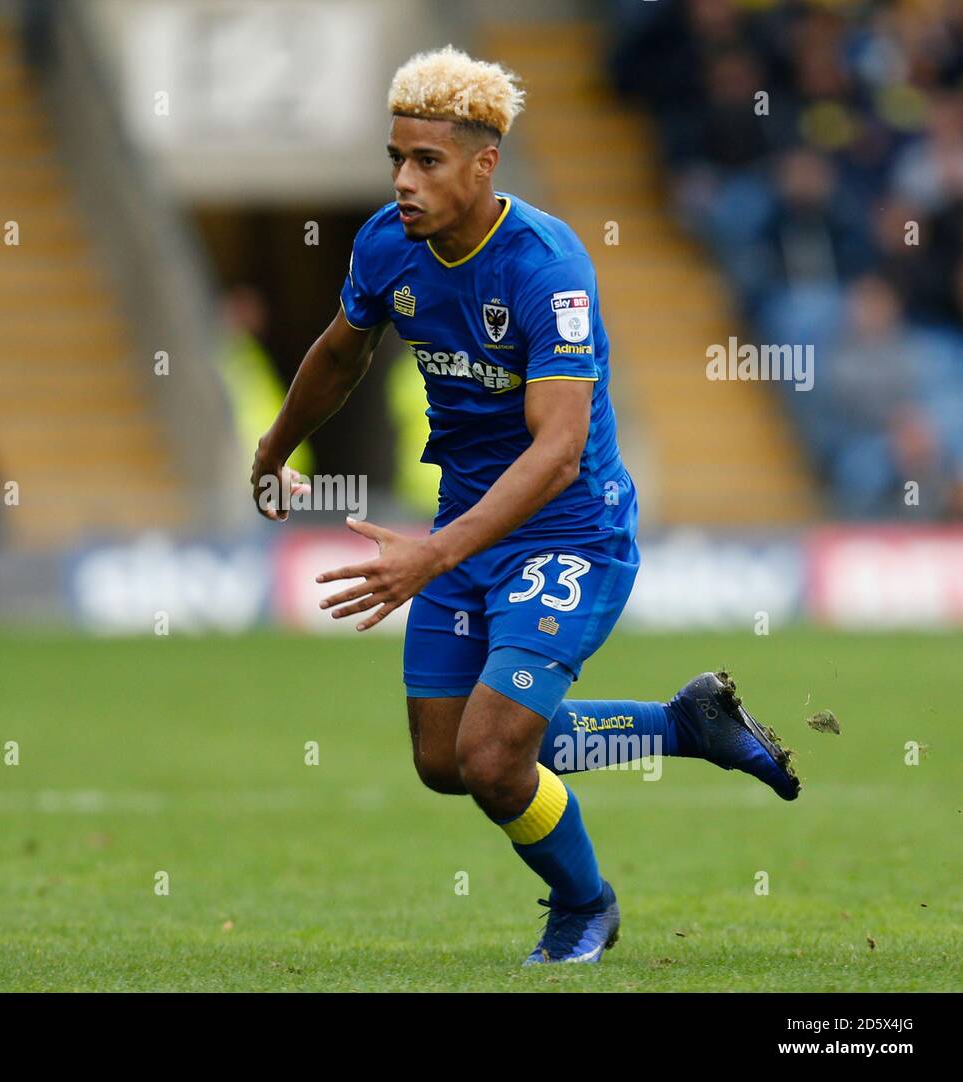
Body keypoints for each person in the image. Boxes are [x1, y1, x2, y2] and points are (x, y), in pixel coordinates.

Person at [249, 46, 799, 966]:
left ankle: (584, 906)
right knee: (444, 760)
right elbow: (341, 353)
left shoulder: (547, 267)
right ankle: (682, 726)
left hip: (571, 531)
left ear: (482, 164)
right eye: (396, 159)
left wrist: (430, 553)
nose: (403, 181)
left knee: (496, 758)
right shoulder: (387, 243)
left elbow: (556, 452)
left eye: (426, 162)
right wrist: (272, 449)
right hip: (469, 524)